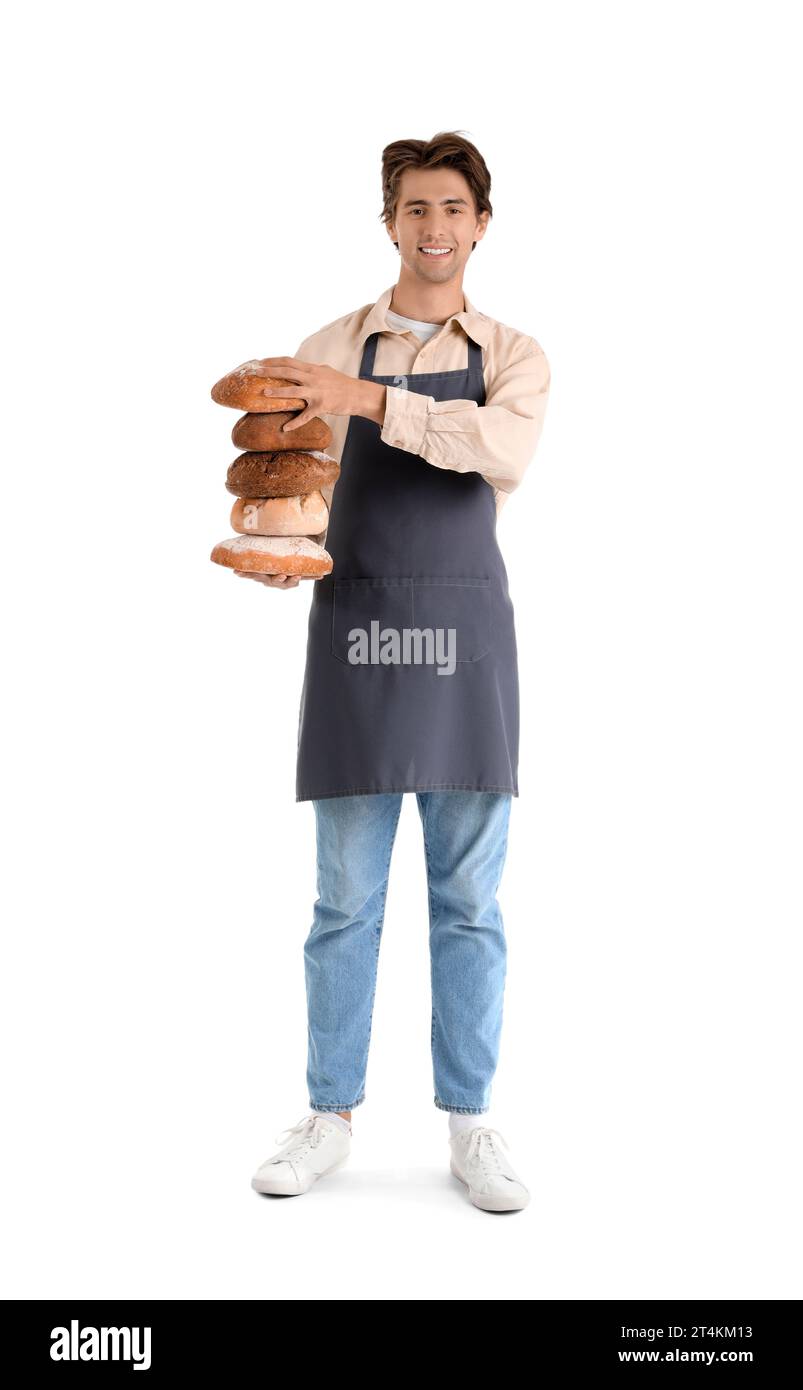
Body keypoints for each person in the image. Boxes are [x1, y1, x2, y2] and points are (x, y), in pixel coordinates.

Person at [242, 131, 550, 1211]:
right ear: (390, 222)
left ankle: (470, 1123)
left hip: (464, 643)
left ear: (479, 223)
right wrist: (281, 552)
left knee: (468, 899)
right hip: (359, 634)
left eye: (452, 209)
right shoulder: (326, 344)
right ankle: (327, 1114)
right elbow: (293, 482)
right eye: (414, 209)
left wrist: (365, 399)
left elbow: (494, 451)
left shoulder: (513, 355)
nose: (433, 228)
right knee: (343, 899)